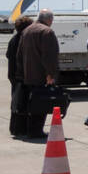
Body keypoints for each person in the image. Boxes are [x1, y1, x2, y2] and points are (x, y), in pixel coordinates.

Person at [18, 9, 60, 139]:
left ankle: (31, 129)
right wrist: (51, 74)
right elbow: (50, 56)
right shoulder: (47, 31)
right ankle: (37, 131)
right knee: (42, 104)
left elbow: (19, 54)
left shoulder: (27, 30)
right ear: (49, 19)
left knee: (32, 103)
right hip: (41, 74)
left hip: (28, 74)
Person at [5, 15, 33, 137]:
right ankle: (21, 128)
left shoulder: (13, 39)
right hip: (21, 74)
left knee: (16, 101)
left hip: (12, 74)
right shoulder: (23, 39)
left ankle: (15, 128)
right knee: (23, 102)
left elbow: (7, 55)